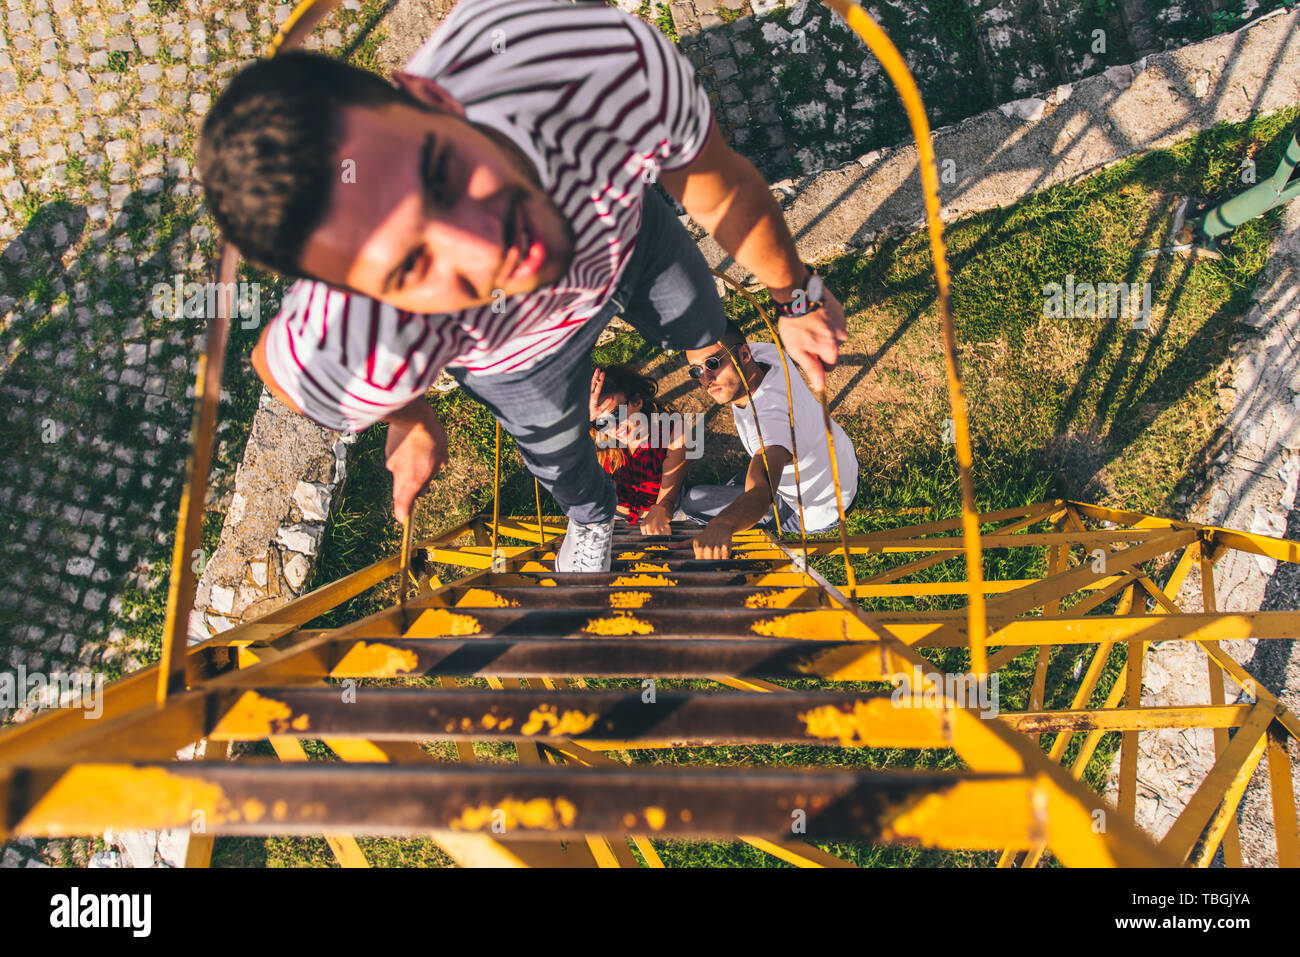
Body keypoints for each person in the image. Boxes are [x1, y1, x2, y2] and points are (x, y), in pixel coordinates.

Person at [197, 0, 848, 572]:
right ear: (371, 298)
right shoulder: (359, 333)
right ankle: (592, 519)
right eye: (410, 267)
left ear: (434, 98)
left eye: (441, 175)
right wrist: (410, 416)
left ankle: (705, 347)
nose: (486, 248)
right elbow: (279, 367)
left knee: (702, 321)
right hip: (520, 358)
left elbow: (720, 185)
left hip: (631, 245)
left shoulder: (587, 64)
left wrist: (796, 295)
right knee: (563, 459)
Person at [681, 321, 859, 559]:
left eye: (713, 363)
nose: (706, 379)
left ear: (744, 354)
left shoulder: (769, 427)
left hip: (818, 511)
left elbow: (761, 495)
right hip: (841, 462)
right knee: (737, 485)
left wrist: (723, 524)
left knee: (693, 502)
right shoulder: (768, 354)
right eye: (696, 370)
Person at [587, 365, 687, 535]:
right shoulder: (597, 438)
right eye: (601, 422)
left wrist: (662, 511)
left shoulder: (674, 431)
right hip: (613, 515)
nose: (613, 428)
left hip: (663, 514)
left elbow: (667, 502)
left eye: (616, 414)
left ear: (637, 401)